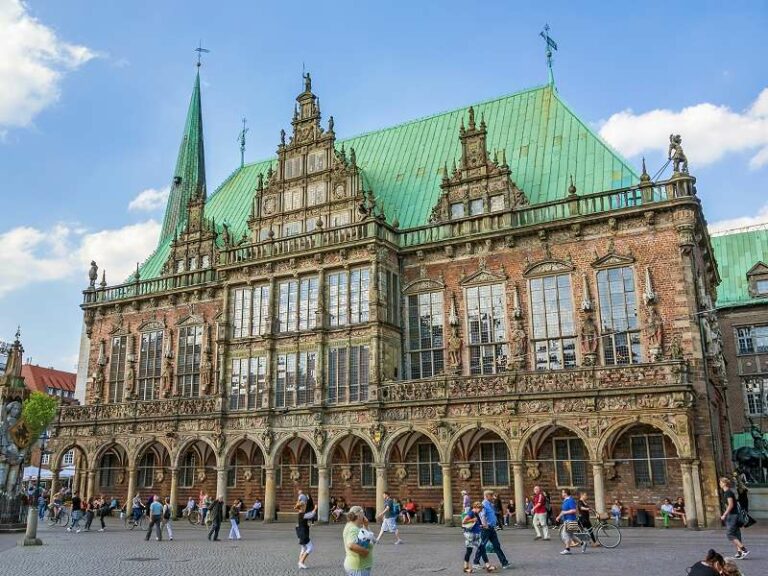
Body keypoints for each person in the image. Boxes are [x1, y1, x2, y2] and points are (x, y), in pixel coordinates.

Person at [473, 489, 510, 570]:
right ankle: (475, 562)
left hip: (491, 528)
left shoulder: (489, 504)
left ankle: (504, 562)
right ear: (486, 496)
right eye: (491, 495)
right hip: (486, 529)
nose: (493, 497)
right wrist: (484, 524)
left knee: (497, 545)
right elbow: (482, 515)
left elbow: (491, 514)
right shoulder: (483, 504)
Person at [719, 477, 749, 559]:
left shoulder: (728, 492)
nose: (720, 484)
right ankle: (739, 552)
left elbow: (731, 505)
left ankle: (744, 550)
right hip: (733, 515)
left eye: (721, 482)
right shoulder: (727, 492)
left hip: (732, 515)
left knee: (730, 534)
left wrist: (724, 514)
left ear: (725, 483)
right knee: (736, 533)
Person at [463, 501, 494, 573]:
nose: (481, 510)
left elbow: (478, 524)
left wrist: (484, 526)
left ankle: (487, 566)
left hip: (476, 535)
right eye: (480, 509)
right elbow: (464, 521)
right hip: (471, 535)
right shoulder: (471, 513)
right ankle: (466, 567)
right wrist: (473, 519)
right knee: (470, 551)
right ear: (476, 507)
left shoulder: (476, 514)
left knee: (481, 549)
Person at [344, 505, 374, 576]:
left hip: (357, 565)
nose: (364, 516)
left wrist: (366, 525)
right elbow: (351, 545)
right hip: (359, 567)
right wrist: (365, 552)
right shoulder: (354, 529)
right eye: (363, 514)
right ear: (359, 516)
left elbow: (367, 537)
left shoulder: (350, 526)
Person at [556, 489, 585, 555]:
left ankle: (567, 549)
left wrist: (565, 512)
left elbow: (574, 510)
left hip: (571, 519)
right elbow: (563, 511)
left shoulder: (571, 500)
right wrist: (559, 516)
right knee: (571, 535)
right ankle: (582, 543)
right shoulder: (565, 500)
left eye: (562, 492)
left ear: (566, 493)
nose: (562, 493)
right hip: (566, 519)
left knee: (565, 534)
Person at [295, 491, 313, 569]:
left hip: (300, 532)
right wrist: (315, 509)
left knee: (303, 548)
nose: (305, 506)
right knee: (310, 547)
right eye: (304, 506)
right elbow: (312, 515)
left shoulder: (300, 513)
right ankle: (301, 561)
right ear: (302, 507)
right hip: (303, 533)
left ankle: (300, 562)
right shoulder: (303, 514)